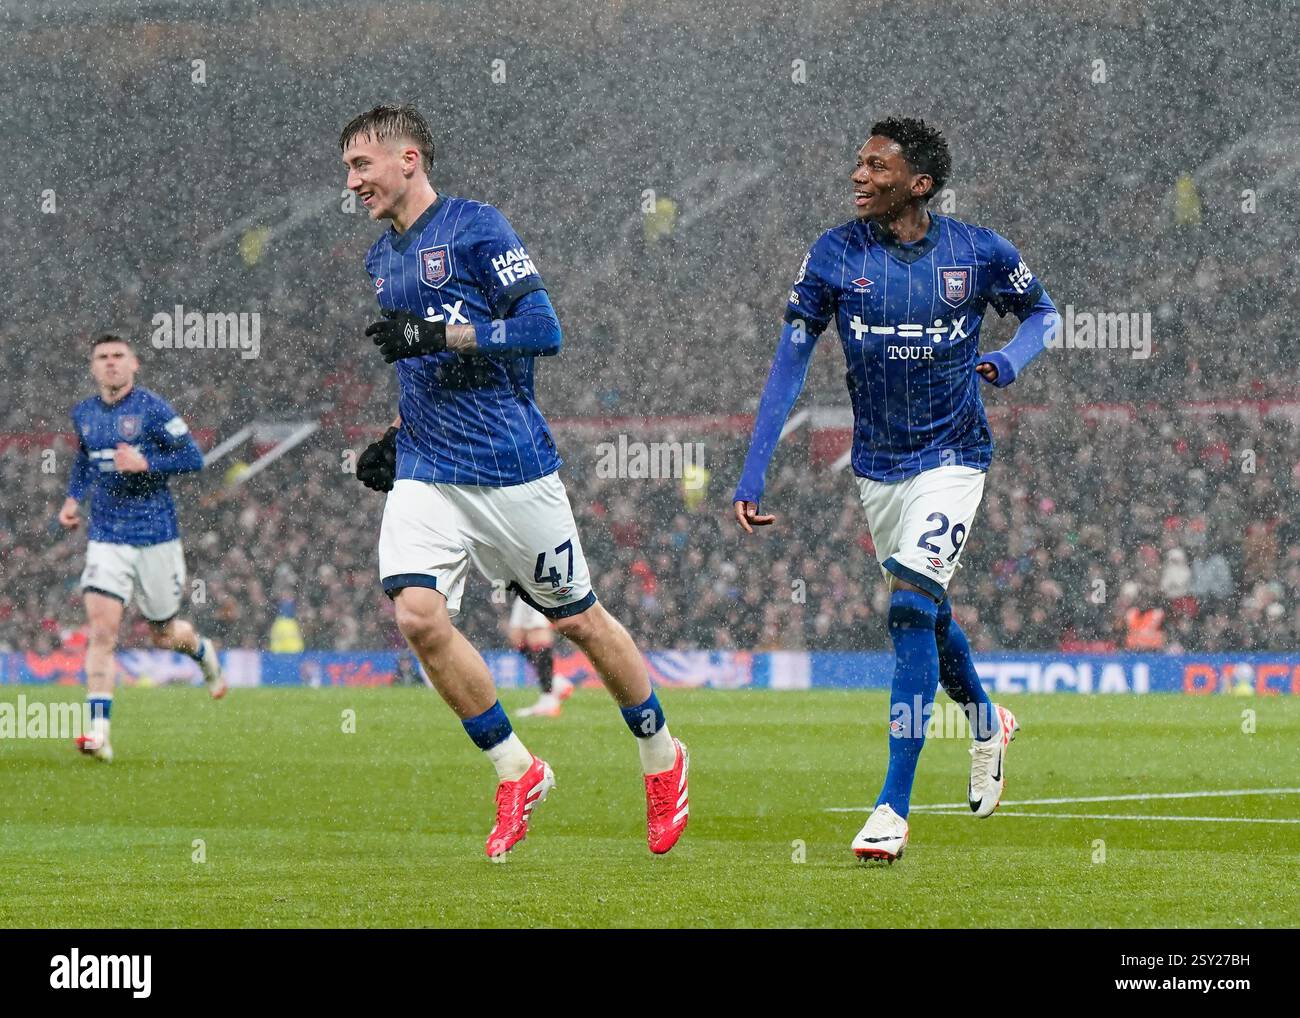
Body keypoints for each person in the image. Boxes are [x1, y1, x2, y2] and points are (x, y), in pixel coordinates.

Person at [340, 103, 688, 860]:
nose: (352, 182)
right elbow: (426, 371)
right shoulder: (379, 260)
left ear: (409, 160)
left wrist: (440, 332)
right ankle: (516, 769)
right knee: (418, 617)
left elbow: (542, 330)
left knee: (579, 622)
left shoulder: (476, 227)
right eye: (347, 170)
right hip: (429, 471)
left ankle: (662, 755)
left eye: (361, 165)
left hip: (509, 466)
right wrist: (393, 439)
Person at [733, 118, 1057, 862]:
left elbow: (1043, 312)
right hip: (878, 467)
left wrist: (1009, 361)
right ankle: (984, 719)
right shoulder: (833, 255)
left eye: (875, 166)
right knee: (930, 615)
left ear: (917, 184)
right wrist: (753, 470)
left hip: (955, 456)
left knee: (909, 607)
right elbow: (789, 364)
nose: (858, 176)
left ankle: (892, 806)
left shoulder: (976, 252)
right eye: (858, 162)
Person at [59, 335, 226, 763]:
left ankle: (204, 654)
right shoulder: (85, 413)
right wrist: (73, 499)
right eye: (102, 358)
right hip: (107, 537)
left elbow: (194, 458)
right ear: (93, 367)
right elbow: (84, 460)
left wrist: (148, 462)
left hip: (156, 537)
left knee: (164, 634)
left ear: (134, 365)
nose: (111, 364)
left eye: (118, 357)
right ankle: (99, 733)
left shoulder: (154, 409)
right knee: (102, 631)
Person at [509, 595, 573, 718]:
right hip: (519, 590)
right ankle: (555, 681)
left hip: (533, 589)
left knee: (538, 635)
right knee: (517, 638)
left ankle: (548, 698)